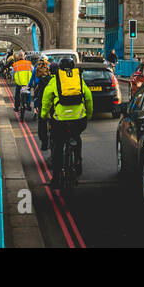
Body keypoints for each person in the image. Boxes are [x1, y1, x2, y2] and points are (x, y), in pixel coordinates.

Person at [41, 55, 93, 188]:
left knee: (58, 145)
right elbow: (88, 98)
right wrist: (89, 114)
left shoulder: (54, 80)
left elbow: (46, 99)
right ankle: (78, 162)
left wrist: (44, 114)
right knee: (76, 136)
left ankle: (56, 177)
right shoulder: (79, 79)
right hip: (78, 119)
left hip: (60, 120)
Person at [34, 58, 57, 151]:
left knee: (42, 124)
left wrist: (37, 106)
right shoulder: (53, 80)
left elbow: (39, 97)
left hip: (44, 105)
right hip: (54, 105)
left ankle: (44, 142)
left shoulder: (41, 82)